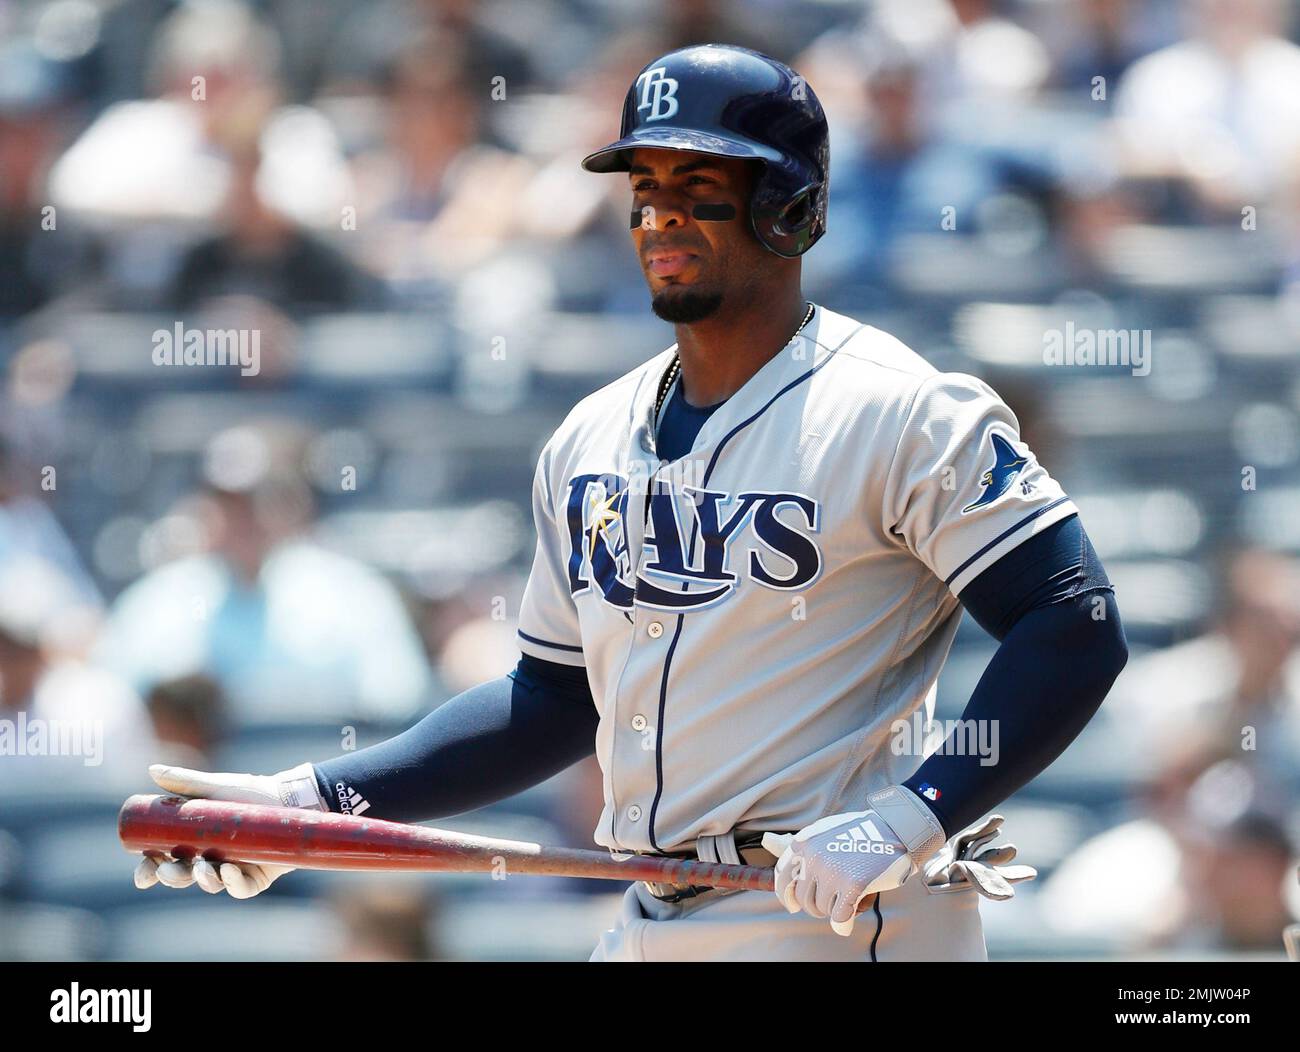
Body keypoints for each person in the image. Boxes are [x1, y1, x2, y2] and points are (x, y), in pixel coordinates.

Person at [131, 45, 1128, 962]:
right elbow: (554, 700)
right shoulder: (590, 435)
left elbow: (1071, 620)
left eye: (697, 187)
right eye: (644, 189)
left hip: (838, 916)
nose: (658, 217)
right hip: (650, 911)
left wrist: (913, 815)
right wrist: (317, 801)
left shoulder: (897, 408)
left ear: (787, 206)